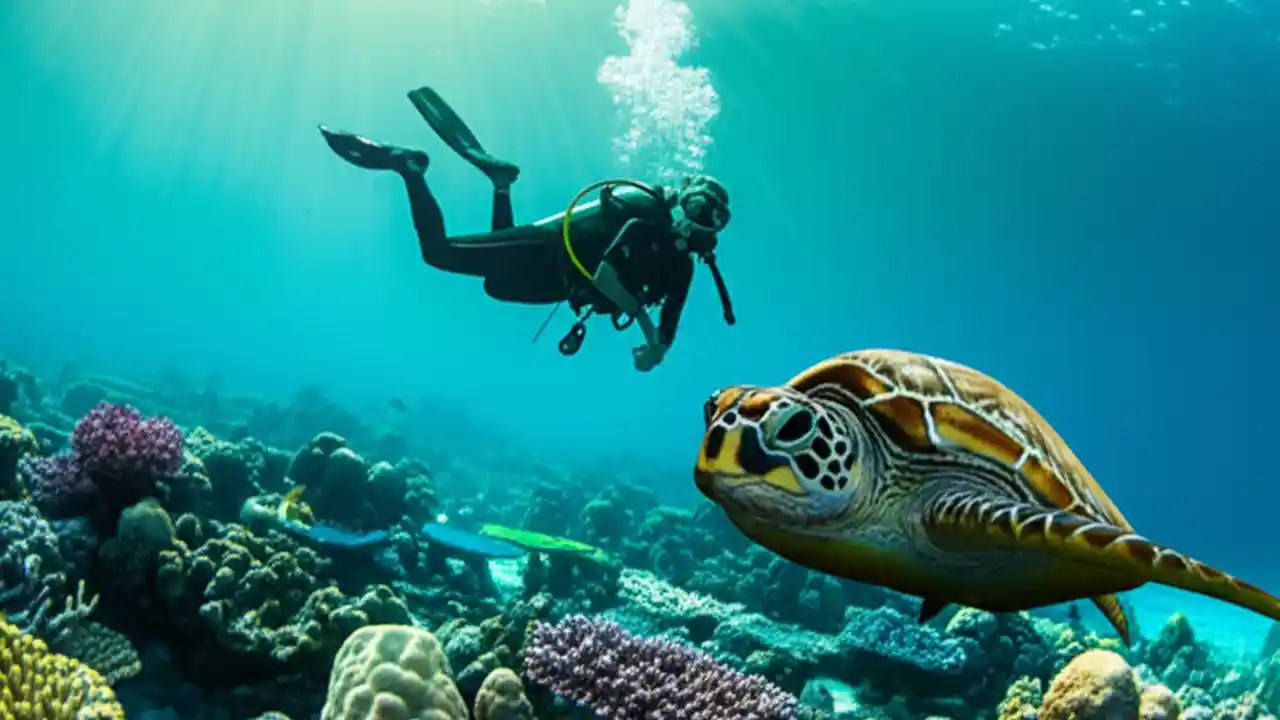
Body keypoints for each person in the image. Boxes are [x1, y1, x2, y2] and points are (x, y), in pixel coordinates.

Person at [318, 85, 736, 372]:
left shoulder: (683, 267)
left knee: (494, 283)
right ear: (684, 199)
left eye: (714, 218)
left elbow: (670, 322)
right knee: (438, 254)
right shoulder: (644, 221)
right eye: (699, 207)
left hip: (559, 282)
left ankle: (500, 184)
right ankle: (409, 167)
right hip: (546, 246)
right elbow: (606, 275)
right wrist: (645, 326)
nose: (701, 220)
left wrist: (657, 349)